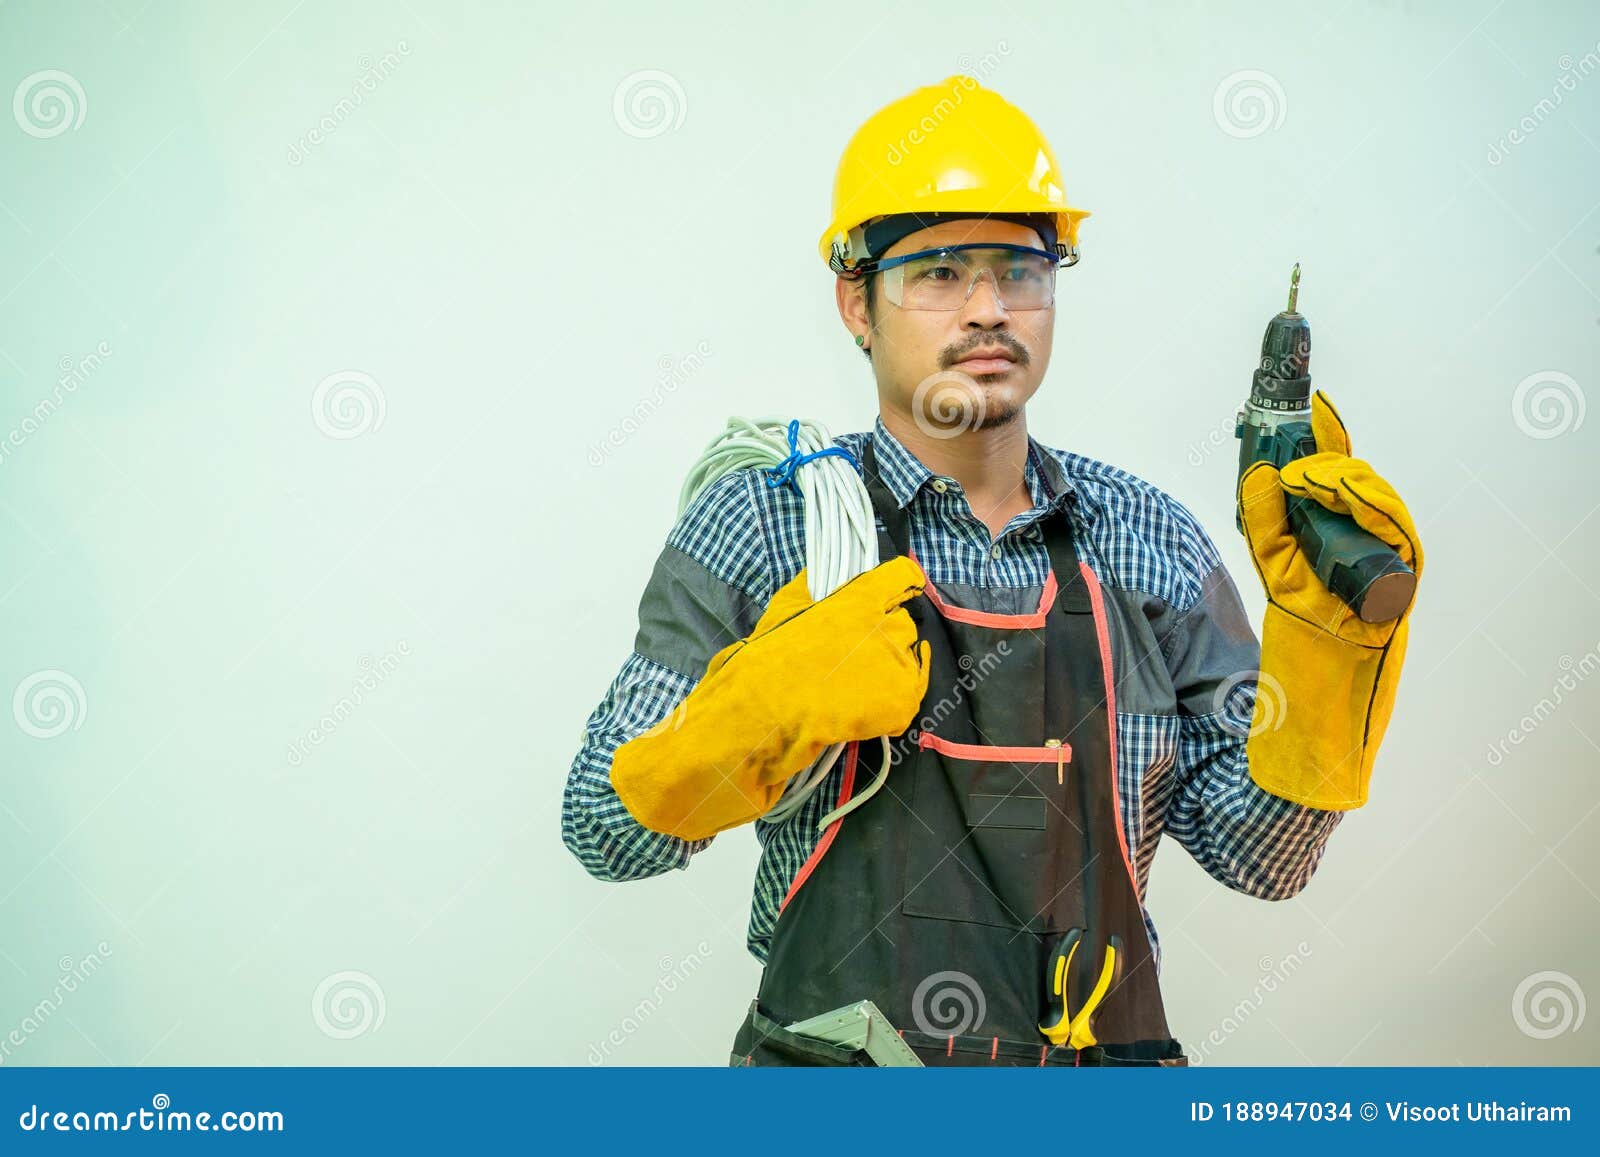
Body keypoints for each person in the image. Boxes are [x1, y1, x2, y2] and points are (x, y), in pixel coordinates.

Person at [561, 76, 1422, 1066]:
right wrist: (752, 715)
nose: (986, 308)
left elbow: (1261, 859)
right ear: (856, 300)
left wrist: (1330, 655)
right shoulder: (769, 524)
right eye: (936, 271)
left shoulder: (1148, 540)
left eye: (1018, 269)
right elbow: (603, 829)